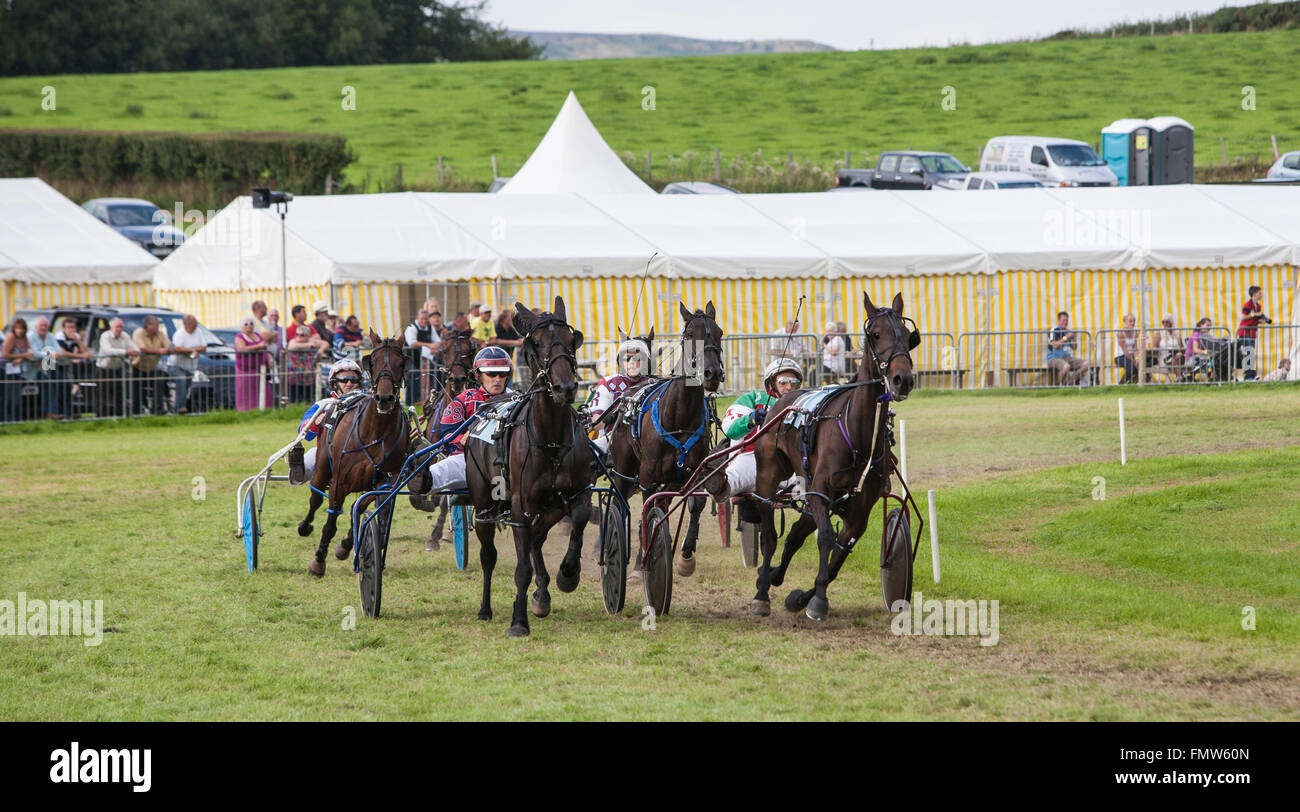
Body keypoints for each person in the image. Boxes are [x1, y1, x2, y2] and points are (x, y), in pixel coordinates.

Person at [419, 347, 513, 497]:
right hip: (471, 460)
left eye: (502, 374)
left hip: (509, 462)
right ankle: (423, 481)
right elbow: (448, 434)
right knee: (447, 467)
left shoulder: (517, 400)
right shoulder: (464, 400)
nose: (497, 379)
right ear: (479, 375)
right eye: (491, 373)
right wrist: (466, 443)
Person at [715, 357, 804, 499]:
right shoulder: (753, 398)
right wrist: (751, 419)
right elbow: (730, 430)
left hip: (790, 464)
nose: (789, 387)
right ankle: (720, 485)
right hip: (751, 459)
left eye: (794, 383)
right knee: (730, 480)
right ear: (771, 383)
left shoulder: (803, 404)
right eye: (783, 382)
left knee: (809, 482)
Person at [287, 359, 367, 485]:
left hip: (362, 453)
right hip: (328, 454)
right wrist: (315, 423)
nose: (349, 383)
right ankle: (299, 471)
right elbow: (304, 434)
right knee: (314, 453)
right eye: (344, 380)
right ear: (334, 383)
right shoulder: (323, 405)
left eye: (354, 380)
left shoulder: (368, 404)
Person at [588, 337, 652, 455]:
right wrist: (611, 417)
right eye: (627, 358)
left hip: (649, 440)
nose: (632, 362)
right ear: (621, 362)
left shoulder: (654, 384)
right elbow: (596, 424)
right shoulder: (609, 386)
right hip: (613, 440)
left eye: (637, 358)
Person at [97, 317, 140, 416]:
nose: (119, 329)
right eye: (117, 327)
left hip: (117, 369)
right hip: (104, 369)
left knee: (119, 395)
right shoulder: (105, 336)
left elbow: (133, 347)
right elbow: (108, 351)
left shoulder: (125, 336)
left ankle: (120, 416)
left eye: (121, 327)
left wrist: (135, 351)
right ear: (111, 327)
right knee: (102, 395)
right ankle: (100, 417)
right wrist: (126, 352)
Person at [132, 315, 174, 414]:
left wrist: (170, 349)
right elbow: (142, 349)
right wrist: (159, 350)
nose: (158, 327)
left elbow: (169, 346)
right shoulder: (138, 333)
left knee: (159, 382)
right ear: (148, 326)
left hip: (151, 367)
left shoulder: (161, 334)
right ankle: (137, 412)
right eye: (156, 325)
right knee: (136, 391)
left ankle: (158, 409)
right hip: (137, 367)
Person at [286, 304, 327, 403]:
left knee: (308, 398)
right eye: (297, 335)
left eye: (302, 335)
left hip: (308, 374)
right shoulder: (290, 331)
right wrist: (309, 345)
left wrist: (320, 351)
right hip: (294, 374)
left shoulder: (308, 328)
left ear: (307, 336)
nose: (299, 336)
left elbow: (323, 342)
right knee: (294, 398)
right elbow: (292, 346)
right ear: (296, 314)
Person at [55, 318, 94, 419]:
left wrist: (78, 340)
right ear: (63, 328)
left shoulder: (75, 336)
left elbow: (85, 351)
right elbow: (63, 353)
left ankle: (68, 415)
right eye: (69, 328)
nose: (71, 330)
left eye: (73, 327)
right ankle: (59, 415)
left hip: (65, 366)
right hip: (53, 366)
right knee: (58, 390)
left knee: (68, 390)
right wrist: (81, 356)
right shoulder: (59, 337)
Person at [169, 314, 206, 414]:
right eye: (195, 323)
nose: (196, 325)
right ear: (187, 324)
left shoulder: (198, 332)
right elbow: (176, 348)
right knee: (181, 381)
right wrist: (192, 351)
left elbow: (203, 347)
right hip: (176, 364)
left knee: (186, 387)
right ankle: (181, 407)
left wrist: (192, 351)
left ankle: (177, 411)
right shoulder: (179, 334)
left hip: (190, 366)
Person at [2, 318, 37, 423]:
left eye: (21, 328)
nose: (20, 331)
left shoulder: (25, 338)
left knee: (16, 398)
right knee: (8, 398)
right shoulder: (11, 338)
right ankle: (7, 420)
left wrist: (22, 358)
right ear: (14, 329)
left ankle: (16, 420)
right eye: (17, 328)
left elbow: (30, 353)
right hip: (6, 371)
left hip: (18, 371)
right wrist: (23, 355)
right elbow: (5, 355)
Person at [404, 308, 442, 405]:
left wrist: (434, 347)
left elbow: (438, 341)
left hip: (426, 358)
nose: (424, 321)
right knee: (414, 376)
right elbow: (412, 343)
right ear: (417, 318)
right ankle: (413, 401)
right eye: (422, 319)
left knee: (437, 371)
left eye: (426, 319)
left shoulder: (429, 327)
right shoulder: (412, 327)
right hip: (410, 358)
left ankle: (437, 398)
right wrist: (429, 345)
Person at [234, 316, 272, 411]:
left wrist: (269, 360)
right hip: (246, 372)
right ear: (242, 326)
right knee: (247, 395)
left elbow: (265, 348)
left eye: (251, 323)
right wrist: (258, 346)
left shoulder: (257, 335)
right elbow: (241, 349)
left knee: (264, 392)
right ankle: (246, 411)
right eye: (246, 324)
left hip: (261, 371)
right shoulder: (239, 337)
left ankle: (265, 409)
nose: (249, 326)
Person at [28, 317, 61, 419]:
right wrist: (48, 355)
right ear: (36, 327)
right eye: (41, 325)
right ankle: (50, 412)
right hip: (29, 370)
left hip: (43, 368)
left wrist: (42, 358)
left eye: (45, 326)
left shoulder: (50, 336)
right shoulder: (30, 336)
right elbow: (33, 353)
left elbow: (59, 353)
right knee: (48, 384)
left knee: (60, 381)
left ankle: (55, 412)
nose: (43, 328)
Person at [1236, 285, 1270, 381]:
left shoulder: (1258, 306)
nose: (1261, 295)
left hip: (1252, 333)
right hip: (1244, 332)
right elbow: (1243, 317)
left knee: (1250, 353)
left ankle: (1251, 374)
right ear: (1254, 294)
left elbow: (1253, 319)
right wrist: (1254, 314)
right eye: (1259, 293)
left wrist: (1260, 320)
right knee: (1249, 352)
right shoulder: (1248, 304)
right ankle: (1249, 376)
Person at [1046, 311, 1090, 385]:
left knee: (1086, 364)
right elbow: (1054, 346)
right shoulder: (1054, 330)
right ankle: (1057, 386)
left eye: (1067, 320)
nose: (1065, 322)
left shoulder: (1068, 331)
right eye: (1063, 320)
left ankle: (1071, 381)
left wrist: (1074, 338)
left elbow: (1074, 348)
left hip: (1067, 357)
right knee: (1066, 366)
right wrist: (1066, 337)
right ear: (1058, 320)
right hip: (1054, 358)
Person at [1113, 313, 1140, 385]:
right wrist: (1133, 360)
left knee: (1141, 366)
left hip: (1131, 355)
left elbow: (1135, 347)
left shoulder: (1135, 332)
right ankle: (1121, 384)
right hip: (1120, 356)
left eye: (1134, 321)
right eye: (1130, 321)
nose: (1133, 323)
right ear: (1125, 322)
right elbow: (1124, 349)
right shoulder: (1120, 333)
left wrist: (1137, 358)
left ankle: (1131, 385)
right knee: (1131, 368)